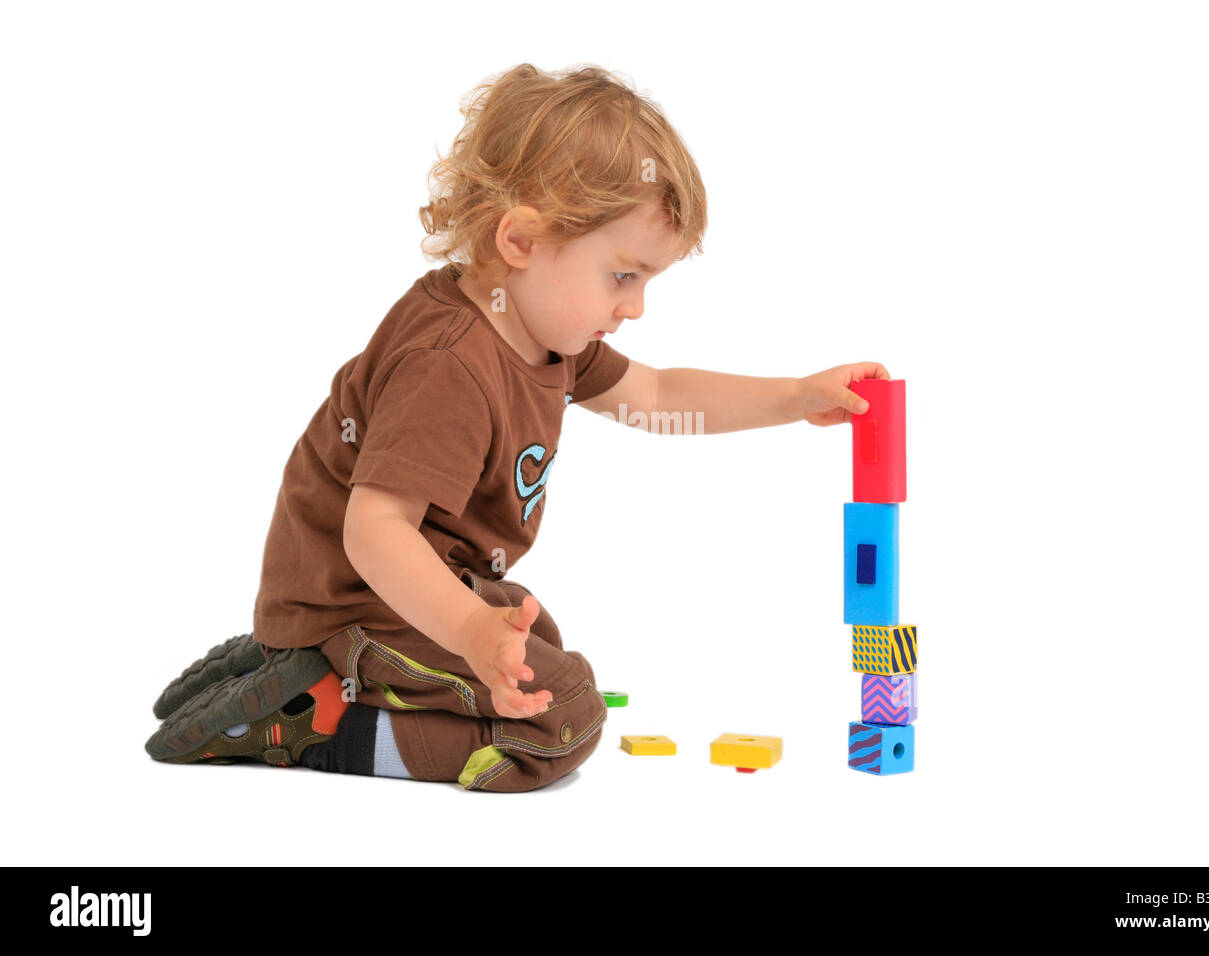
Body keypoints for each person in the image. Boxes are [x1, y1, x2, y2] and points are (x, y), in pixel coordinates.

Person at [144, 62, 889, 792]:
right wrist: (469, 630)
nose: (634, 307)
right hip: (360, 602)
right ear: (521, 242)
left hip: (407, 592)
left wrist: (795, 397)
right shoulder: (449, 365)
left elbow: (658, 394)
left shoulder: (542, 332)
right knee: (564, 718)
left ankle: (295, 672)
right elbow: (374, 531)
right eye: (622, 276)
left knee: (539, 645)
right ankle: (318, 723)